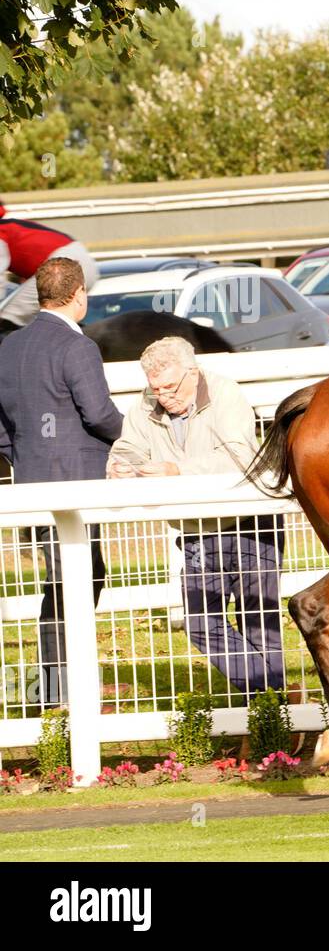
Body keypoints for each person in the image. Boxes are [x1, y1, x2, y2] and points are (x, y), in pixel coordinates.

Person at [105, 337, 301, 714]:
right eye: (156, 388)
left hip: (248, 524)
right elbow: (128, 445)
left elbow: (239, 457)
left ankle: (266, 720)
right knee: (199, 623)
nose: (163, 396)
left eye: (171, 387)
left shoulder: (226, 394)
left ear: (193, 372)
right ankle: (275, 702)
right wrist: (120, 464)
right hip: (195, 531)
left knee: (257, 622)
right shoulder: (146, 401)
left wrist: (177, 470)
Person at [0, 257, 122, 707]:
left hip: (31, 480)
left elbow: (1, 424)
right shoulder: (78, 347)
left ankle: (57, 687)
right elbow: (100, 414)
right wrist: (137, 438)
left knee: (63, 581)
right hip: (76, 483)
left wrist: (23, 457)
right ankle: (61, 689)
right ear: (79, 295)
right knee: (79, 578)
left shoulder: (9, 346)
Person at [0, 202, 99, 335]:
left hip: (62, 264)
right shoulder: (11, 225)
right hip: (84, 264)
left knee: (10, 317)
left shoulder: (3, 231)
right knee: (52, 320)